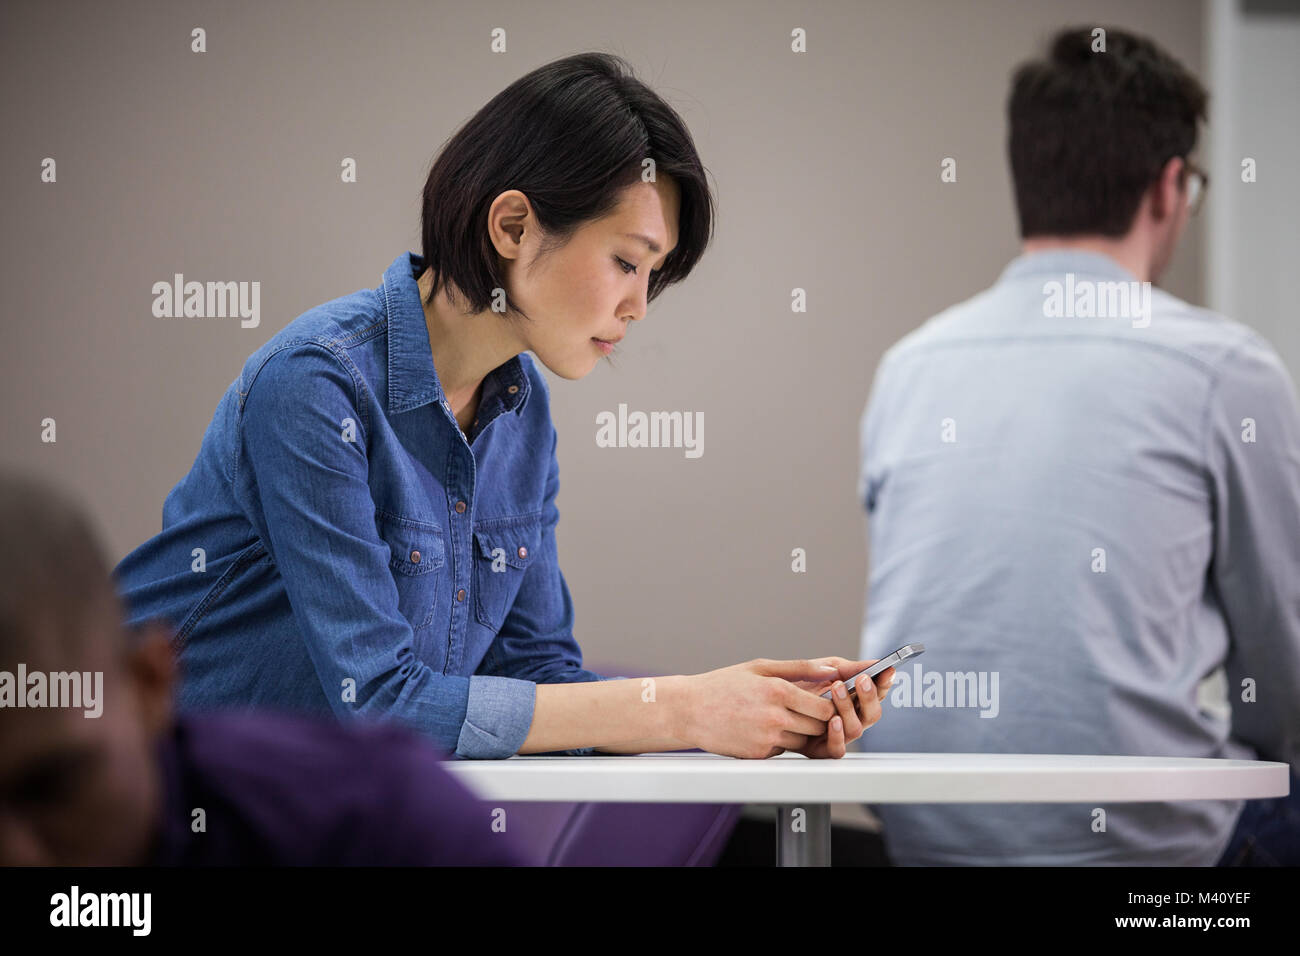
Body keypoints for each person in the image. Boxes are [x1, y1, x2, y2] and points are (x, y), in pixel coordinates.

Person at [111, 52, 893, 761]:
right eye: (627, 261)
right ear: (513, 225)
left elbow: (535, 673)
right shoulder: (314, 385)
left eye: (653, 276)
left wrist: (762, 713)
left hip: (322, 817)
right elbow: (382, 705)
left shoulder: (524, 414)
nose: (639, 307)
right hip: (145, 806)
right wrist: (682, 709)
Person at [855, 26, 1300, 865]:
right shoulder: (1225, 368)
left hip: (924, 834)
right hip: (1156, 849)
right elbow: (1282, 660)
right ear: (1170, 188)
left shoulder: (909, 367)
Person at [0, 472, 530, 865]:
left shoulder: (380, 820)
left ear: (150, 683)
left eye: (53, 787)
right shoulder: (302, 379)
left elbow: (383, 699)